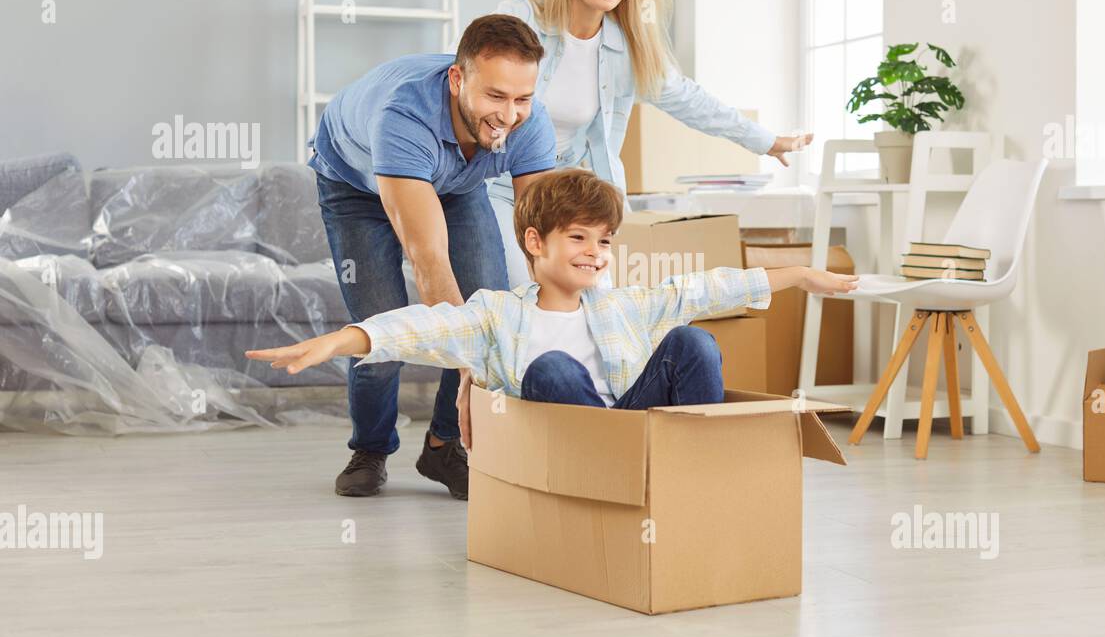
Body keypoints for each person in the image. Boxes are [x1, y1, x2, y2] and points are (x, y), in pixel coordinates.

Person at [247, 169, 858, 484]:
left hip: (629, 430)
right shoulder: (497, 313)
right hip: (572, 452)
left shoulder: (620, 306)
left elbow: (705, 288)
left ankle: (693, 474)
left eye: (604, 240)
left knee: (693, 339)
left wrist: (801, 274)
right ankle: (627, 479)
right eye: (578, 238)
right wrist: (344, 338)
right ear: (535, 242)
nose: (595, 252)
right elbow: (422, 328)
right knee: (552, 368)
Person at [487, 0, 812, 287]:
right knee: (522, 293)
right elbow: (463, 78)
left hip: (566, 199)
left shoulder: (625, 47)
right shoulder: (521, 18)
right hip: (500, 186)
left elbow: (690, 100)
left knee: (598, 302)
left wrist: (766, 140)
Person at [307, 14, 556, 498]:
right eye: (495, 97)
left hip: (455, 185)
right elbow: (429, 262)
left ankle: (444, 447)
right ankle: (371, 449)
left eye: (522, 98)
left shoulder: (530, 122)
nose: (508, 116)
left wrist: (550, 322)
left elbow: (541, 236)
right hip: (355, 189)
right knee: (385, 327)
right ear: (457, 80)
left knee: (490, 302)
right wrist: (473, 368)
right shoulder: (403, 117)